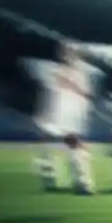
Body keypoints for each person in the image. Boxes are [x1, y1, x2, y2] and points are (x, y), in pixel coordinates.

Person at [34, 41, 98, 194]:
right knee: (53, 141)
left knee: (72, 142)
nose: (70, 53)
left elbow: (84, 94)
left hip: (68, 109)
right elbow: (58, 86)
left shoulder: (79, 71)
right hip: (61, 108)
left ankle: (80, 182)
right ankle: (55, 176)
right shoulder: (59, 70)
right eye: (67, 51)